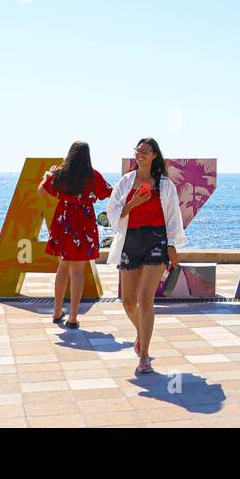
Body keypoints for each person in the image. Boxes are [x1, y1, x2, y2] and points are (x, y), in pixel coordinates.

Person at [106, 137, 184, 374]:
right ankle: (141, 333)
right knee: (128, 301)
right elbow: (112, 214)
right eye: (138, 150)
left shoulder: (165, 185)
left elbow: (173, 217)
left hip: (156, 241)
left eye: (145, 151)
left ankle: (145, 356)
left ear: (154, 156)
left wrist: (171, 245)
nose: (140, 154)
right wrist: (134, 202)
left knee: (145, 297)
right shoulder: (126, 182)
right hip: (130, 241)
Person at [41, 141, 111, 328]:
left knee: (62, 267)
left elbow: (42, 189)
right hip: (84, 222)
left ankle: (56, 311)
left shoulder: (61, 173)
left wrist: (48, 174)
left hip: (63, 221)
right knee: (78, 271)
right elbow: (107, 192)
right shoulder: (93, 175)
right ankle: (72, 317)